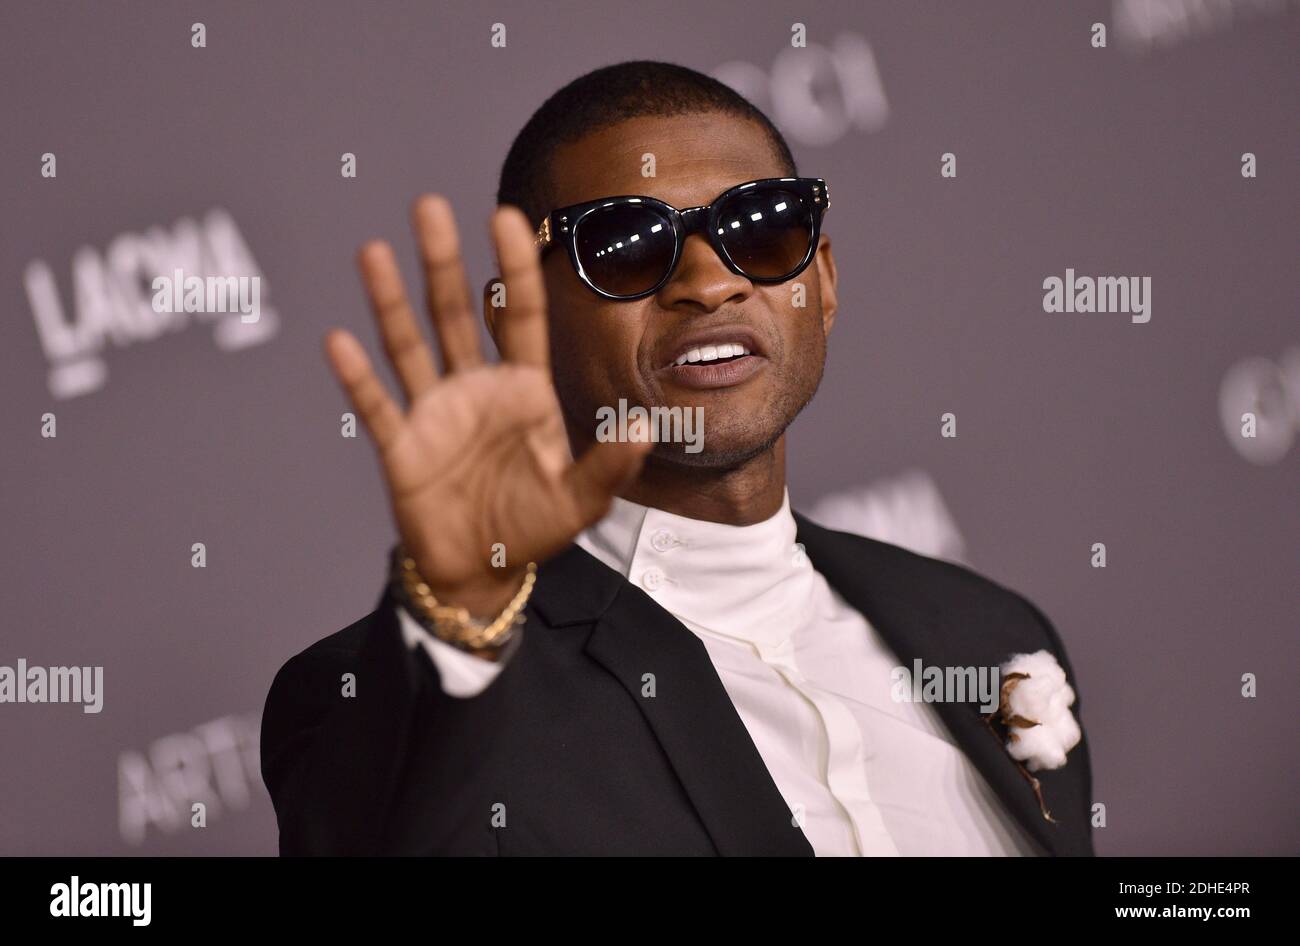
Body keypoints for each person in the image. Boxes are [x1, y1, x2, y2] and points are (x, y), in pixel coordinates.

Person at [260, 60, 1094, 856]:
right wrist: (459, 617)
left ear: (824, 284)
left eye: (762, 228)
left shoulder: (988, 632)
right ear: (522, 317)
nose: (710, 281)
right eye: (627, 245)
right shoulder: (390, 691)